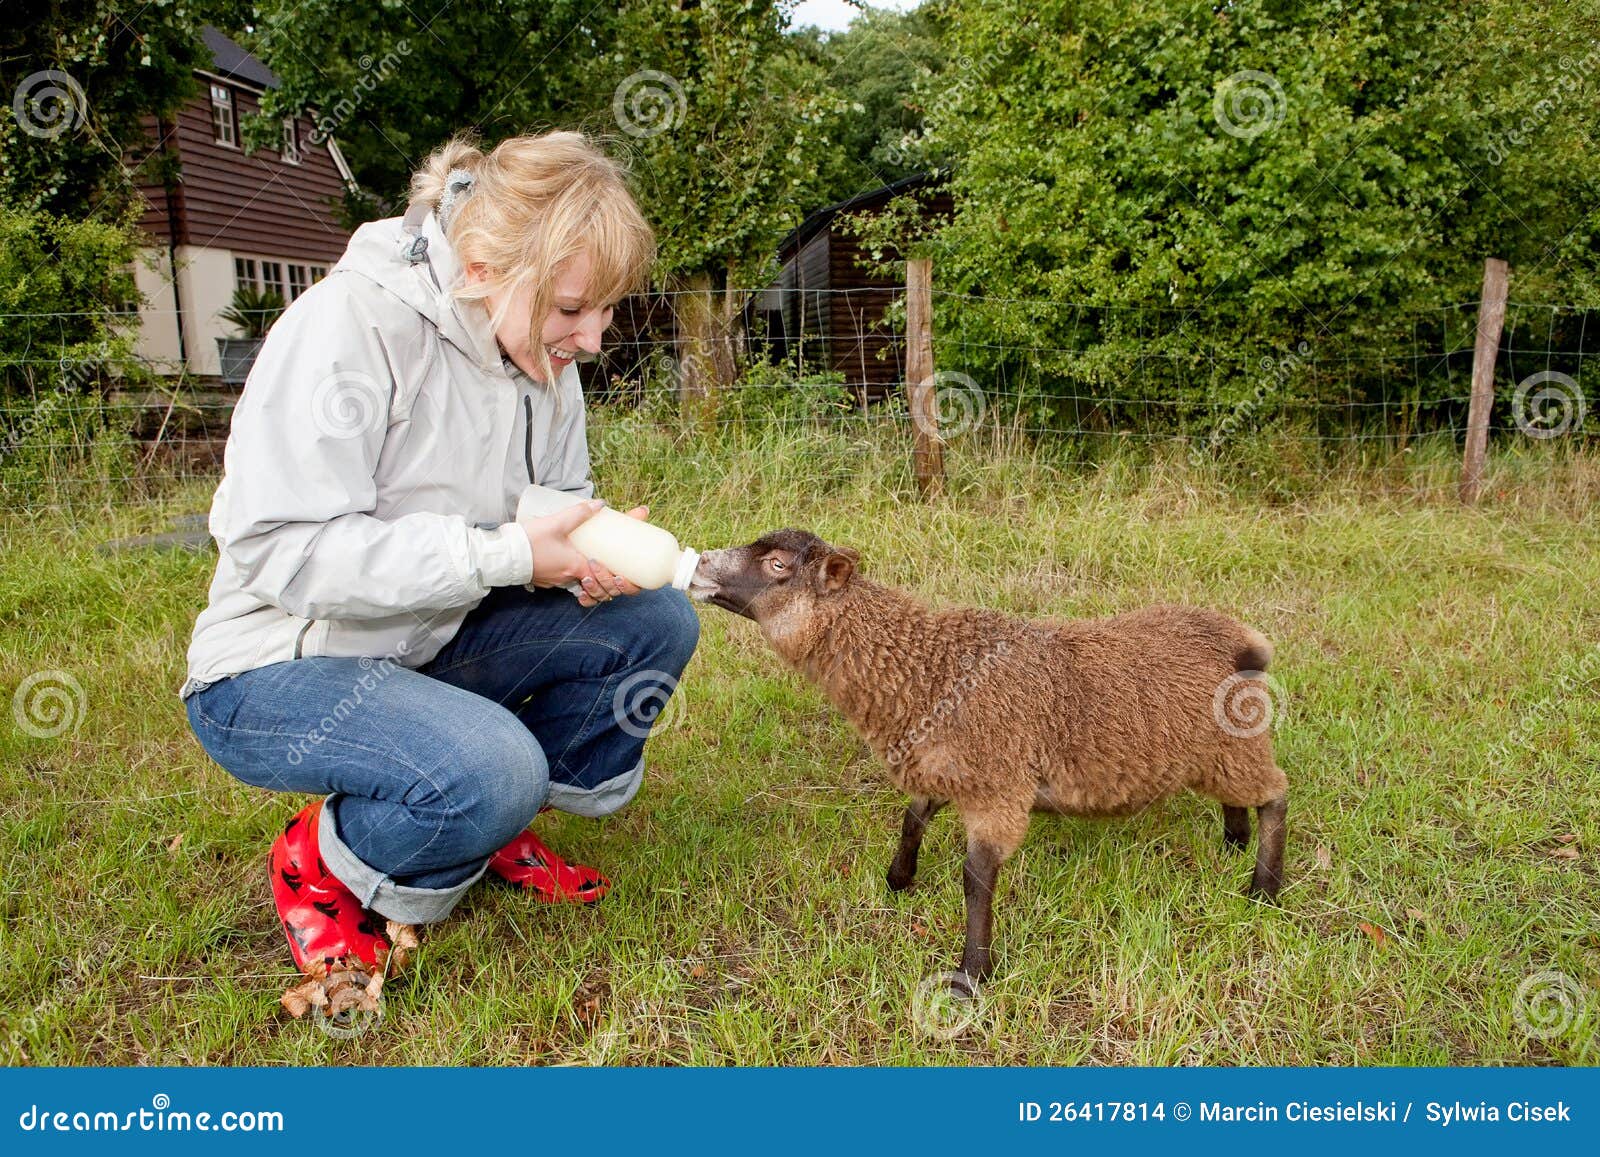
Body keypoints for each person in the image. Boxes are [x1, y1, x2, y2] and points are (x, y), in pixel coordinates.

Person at [180, 132, 700, 996]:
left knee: (653, 622)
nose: (595, 339)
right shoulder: (349, 326)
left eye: (606, 310)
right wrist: (508, 553)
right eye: (575, 309)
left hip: (423, 640)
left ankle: (480, 817)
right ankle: (327, 860)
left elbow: (549, 500)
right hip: (276, 666)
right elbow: (281, 550)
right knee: (496, 767)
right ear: (486, 266)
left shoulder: (540, 354)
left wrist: (578, 557)